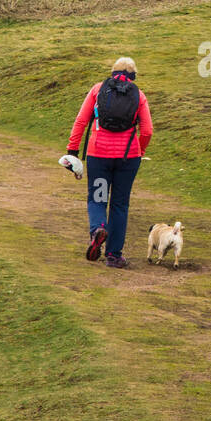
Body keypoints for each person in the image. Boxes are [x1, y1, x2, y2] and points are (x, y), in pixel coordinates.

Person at [67, 56, 153, 269]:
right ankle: (114, 255)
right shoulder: (139, 95)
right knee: (120, 204)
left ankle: (98, 229)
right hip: (128, 158)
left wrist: (73, 150)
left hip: (99, 155)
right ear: (133, 75)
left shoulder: (98, 90)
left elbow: (81, 120)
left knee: (98, 198)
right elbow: (148, 130)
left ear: (112, 72)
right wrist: (140, 150)